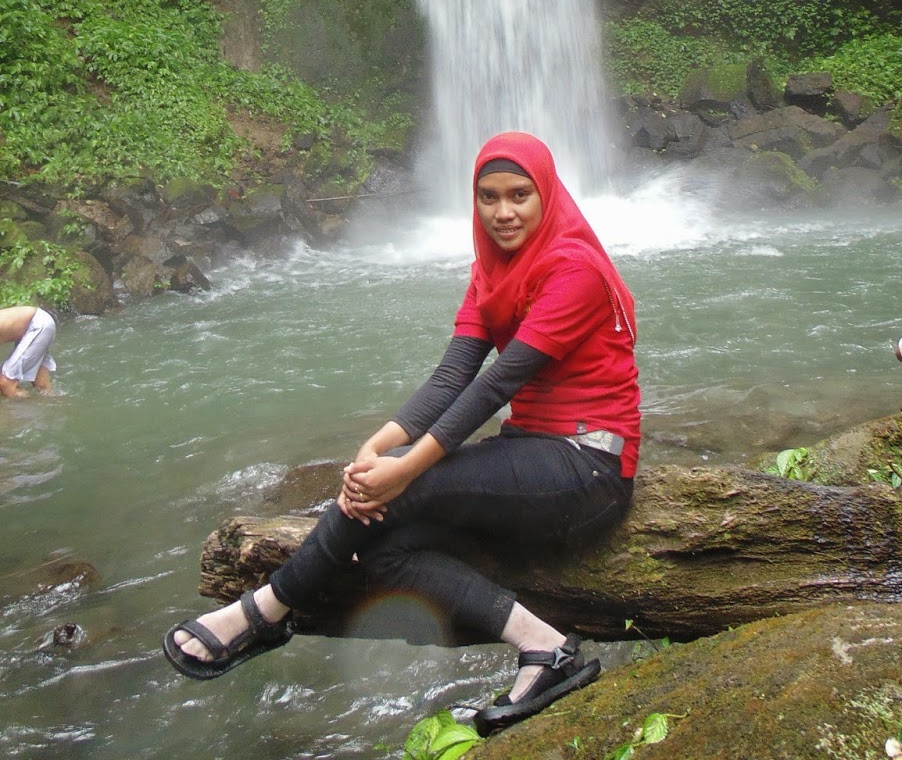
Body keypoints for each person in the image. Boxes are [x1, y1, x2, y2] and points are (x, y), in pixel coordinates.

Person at [163, 132, 640, 736]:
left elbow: (495, 386)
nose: (503, 212)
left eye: (519, 195)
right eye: (488, 197)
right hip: (529, 449)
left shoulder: (574, 269)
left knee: (397, 494)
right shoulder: (492, 269)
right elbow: (453, 374)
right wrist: (380, 444)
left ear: (546, 195)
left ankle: (265, 609)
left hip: (587, 465)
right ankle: (544, 646)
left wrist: (405, 471)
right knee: (382, 546)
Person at [0, 305, 57, 398]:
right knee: (42, 388)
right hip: (39, 322)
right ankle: (56, 403)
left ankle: (31, 404)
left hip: (37, 325)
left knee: (6, 383)